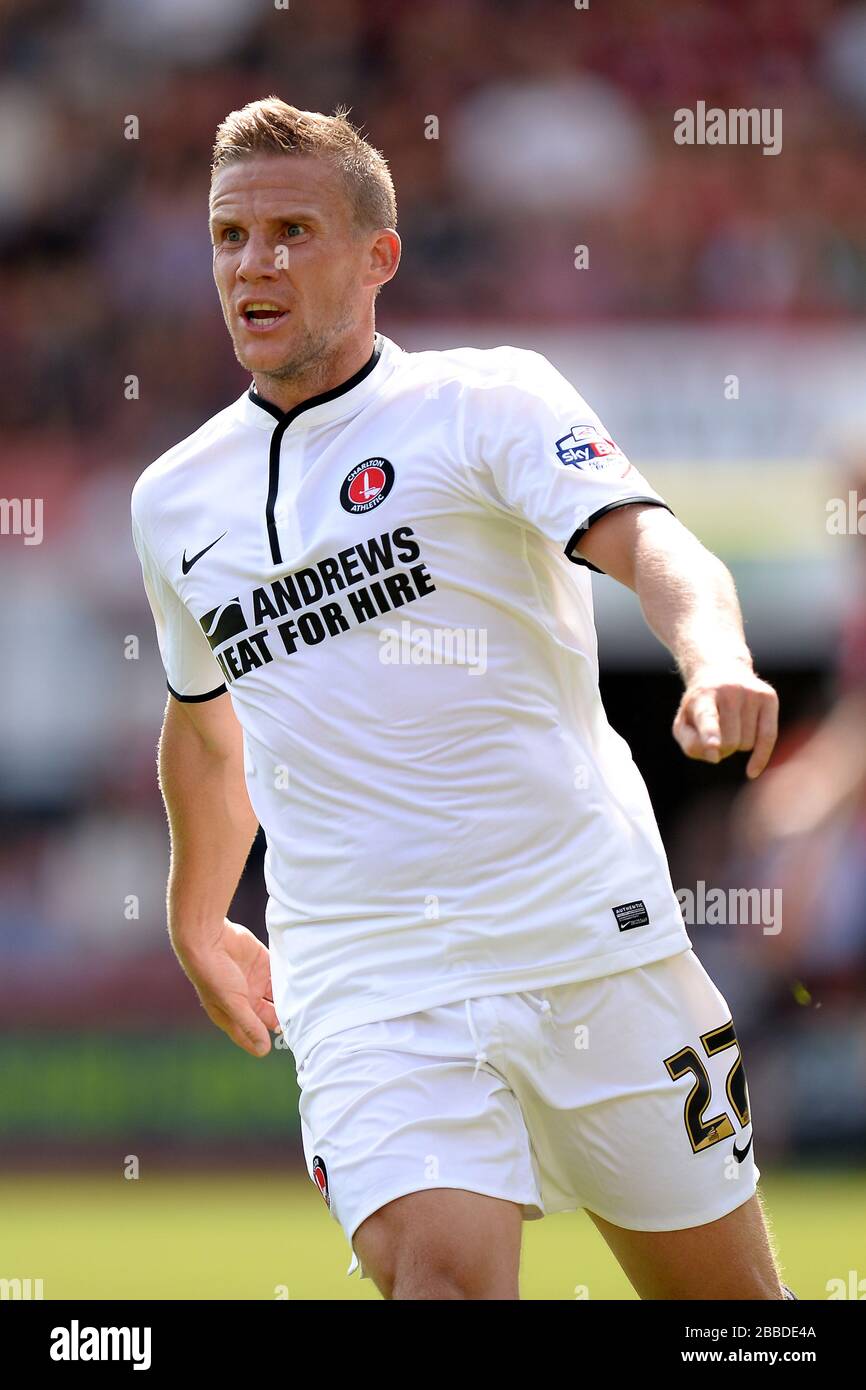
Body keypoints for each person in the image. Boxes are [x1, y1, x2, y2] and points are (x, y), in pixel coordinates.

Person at [130, 97, 791, 1300]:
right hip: (369, 976)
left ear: (377, 256)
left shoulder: (488, 401)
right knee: (444, 1285)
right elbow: (207, 727)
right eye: (230, 236)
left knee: (734, 1319)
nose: (254, 263)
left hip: (588, 939)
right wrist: (193, 911)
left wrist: (713, 657)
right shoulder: (173, 500)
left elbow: (652, 545)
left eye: (292, 230)